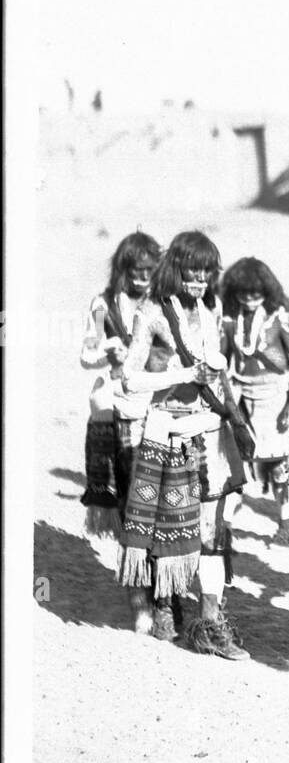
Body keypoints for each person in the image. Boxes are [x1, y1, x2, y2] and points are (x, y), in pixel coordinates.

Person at [117, 230, 252, 657]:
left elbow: (215, 367)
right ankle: (163, 606)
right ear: (177, 271)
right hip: (166, 429)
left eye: (206, 276)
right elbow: (130, 377)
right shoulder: (152, 313)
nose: (199, 283)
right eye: (193, 275)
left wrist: (225, 395)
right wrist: (182, 376)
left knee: (213, 531)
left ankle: (211, 624)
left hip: (208, 429)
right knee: (167, 528)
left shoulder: (209, 312)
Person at [80, 232, 160, 555]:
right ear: (122, 268)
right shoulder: (101, 304)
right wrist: (106, 356)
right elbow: (86, 354)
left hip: (154, 398)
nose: (142, 277)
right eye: (135, 270)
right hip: (117, 399)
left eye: (149, 270)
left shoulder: (165, 304)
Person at [220, 257, 289, 548]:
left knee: (280, 464)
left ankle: (287, 523)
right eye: (243, 293)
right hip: (243, 397)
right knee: (237, 464)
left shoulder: (278, 317)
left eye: (255, 293)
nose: (249, 299)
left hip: (276, 397)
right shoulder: (229, 322)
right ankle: (224, 525)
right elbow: (222, 361)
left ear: (266, 291)